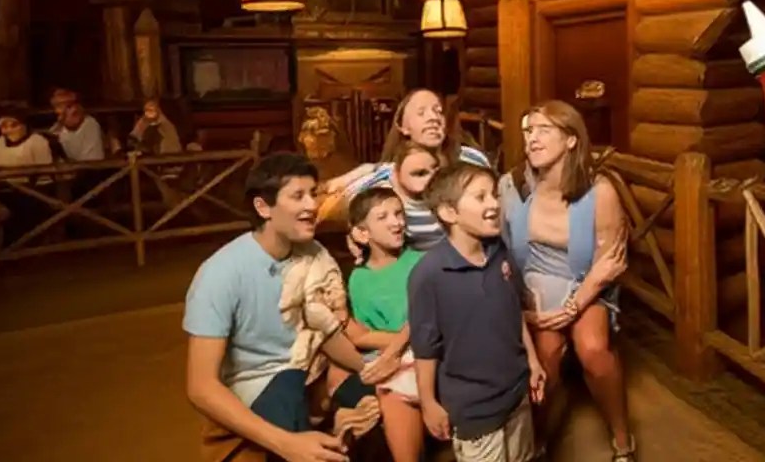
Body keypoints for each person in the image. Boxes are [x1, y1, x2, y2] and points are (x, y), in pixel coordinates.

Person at [184, 152, 400, 462]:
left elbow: (323, 331)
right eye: (297, 196)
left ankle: (338, 427)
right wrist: (286, 443)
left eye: (313, 194)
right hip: (258, 388)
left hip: (308, 378)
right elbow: (200, 387)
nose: (312, 206)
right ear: (263, 207)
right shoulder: (220, 274)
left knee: (385, 407)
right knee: (290, 396)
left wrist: (371, 373)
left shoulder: (314, 254)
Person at [500, 100, 633, 460]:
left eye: (545, 130)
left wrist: (572, 306)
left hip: (585, 284)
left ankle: (623, 442)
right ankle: (538, 442)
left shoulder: (599, 190)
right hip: (531, 288)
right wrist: (525, 313)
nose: (533, 139)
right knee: (544, 355)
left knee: (592, 350)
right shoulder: (511, 186)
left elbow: (610, 265)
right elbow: (500, 254)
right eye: (528, 131)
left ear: (572, 140)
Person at [409, 162, 546, 462]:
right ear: (448, 212)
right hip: (475, 409)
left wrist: (533, 362)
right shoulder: (429, 275)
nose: (494, 204)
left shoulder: (499, 251)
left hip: (517, 392)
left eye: (494, 195)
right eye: (480, 196)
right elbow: (424, 348)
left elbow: (515, 312)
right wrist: (428, 402)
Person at [347, 187, 425, 462]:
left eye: (399, 214)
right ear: (361, 234)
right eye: (383, 217)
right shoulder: (358, 279)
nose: (397, 222)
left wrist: (396, 346)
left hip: (426, 353)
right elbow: (363, 335)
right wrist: (393, 347)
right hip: (388, 362)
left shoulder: (420, 263)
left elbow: (429, 318)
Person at [323, 89, 490, 197]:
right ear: (403, 127)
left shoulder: (473, 160)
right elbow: (343, 199)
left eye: (438, 111)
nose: (433, 118)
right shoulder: (390, 175)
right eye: (421, 112)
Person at [0, 107, 53, 171]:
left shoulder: (38, 141)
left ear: (24, 126)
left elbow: (45, 173)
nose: (9, 130)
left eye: (14, 125)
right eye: (4, 126)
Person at [49, 89, 104, 162]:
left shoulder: (90, 126)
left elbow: (93, 163)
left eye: (73, 105)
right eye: (68, 107)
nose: (74, 110)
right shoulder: (56, 130)